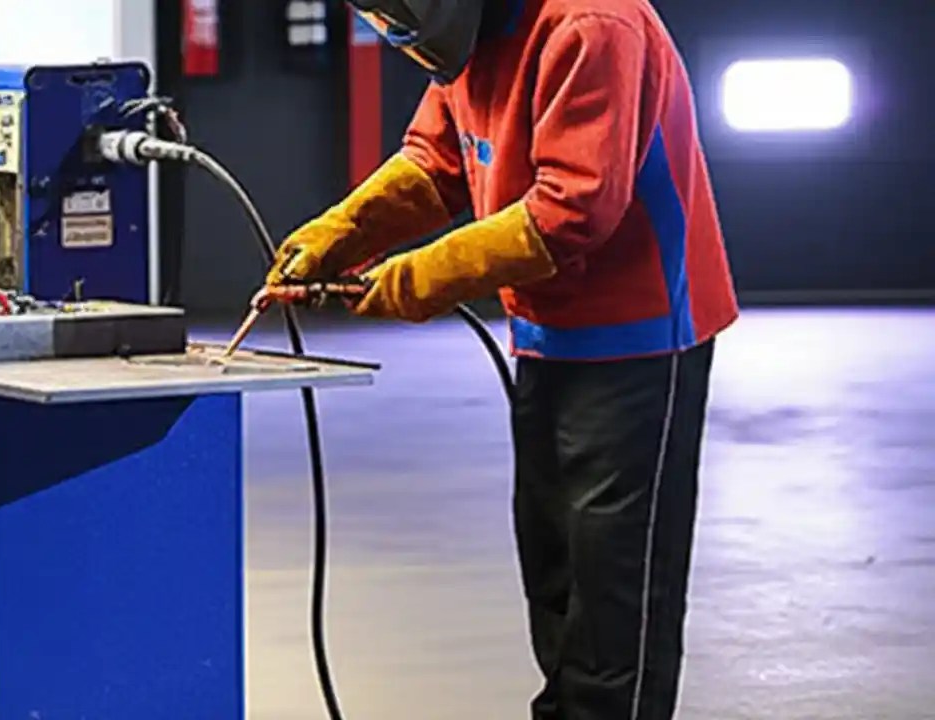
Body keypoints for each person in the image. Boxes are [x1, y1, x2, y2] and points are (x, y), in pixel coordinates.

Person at [267, 1, 740, 718]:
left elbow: (571, 210)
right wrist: (343, 234)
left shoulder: (593, 26)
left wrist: (409, 280)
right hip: (545, 331)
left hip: (640, 336)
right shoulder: (476, 30)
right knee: (555, 571)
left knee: (615, 590)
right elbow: (437, 163)